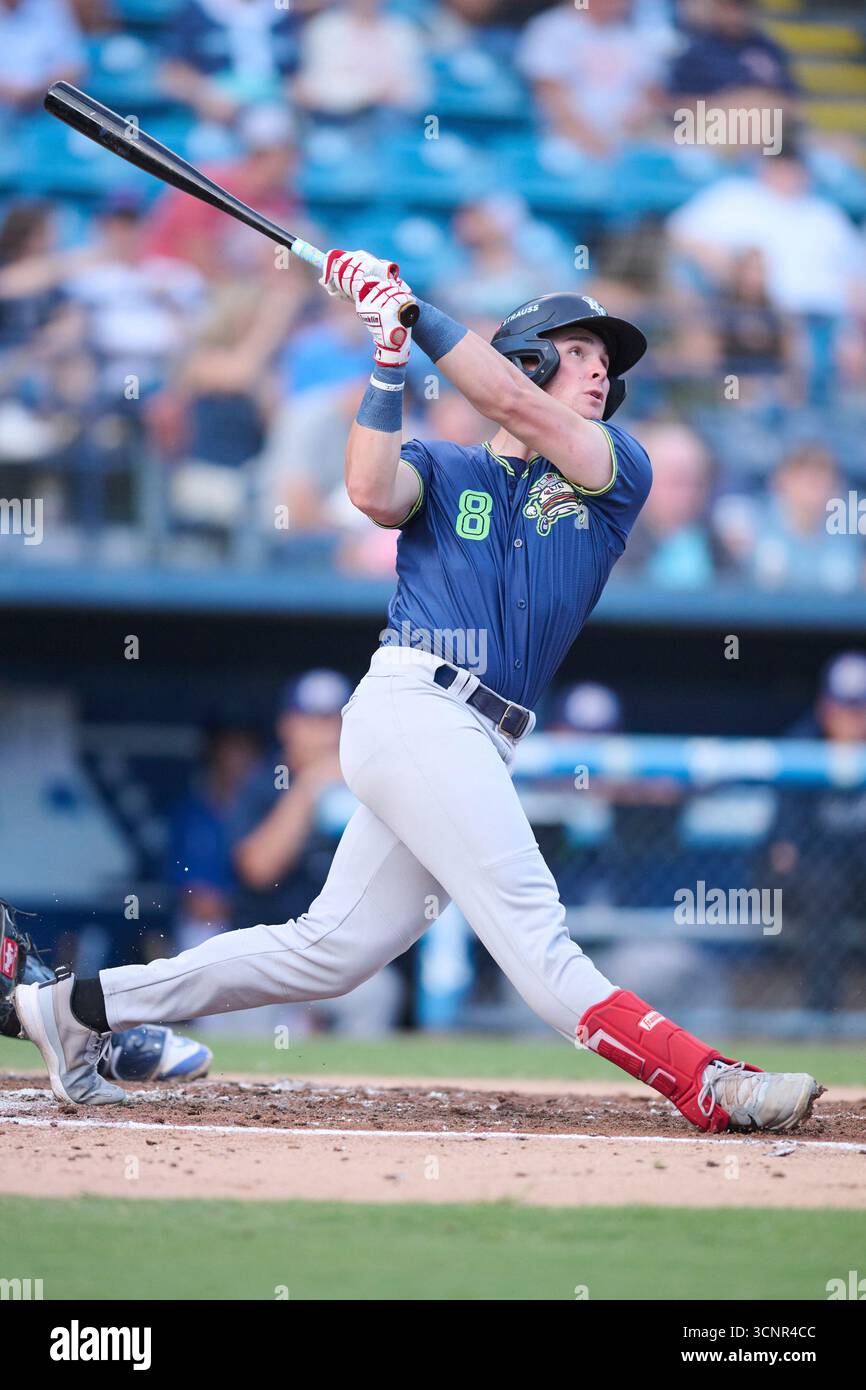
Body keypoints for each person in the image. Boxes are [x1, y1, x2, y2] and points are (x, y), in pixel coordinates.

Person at [13, 252, 821, 1132]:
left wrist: (412, 307)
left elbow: (510, 404)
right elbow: (368, 488)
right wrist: (390, 351)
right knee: (533, 933)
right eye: (581, 351)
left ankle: (73, 1009)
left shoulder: (613, 471)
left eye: (606, 362)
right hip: (415, 708)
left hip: (476, 737)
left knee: (328, 952)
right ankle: (704, 1082)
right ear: (529, 356)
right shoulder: (445, 465)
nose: (601, 371)